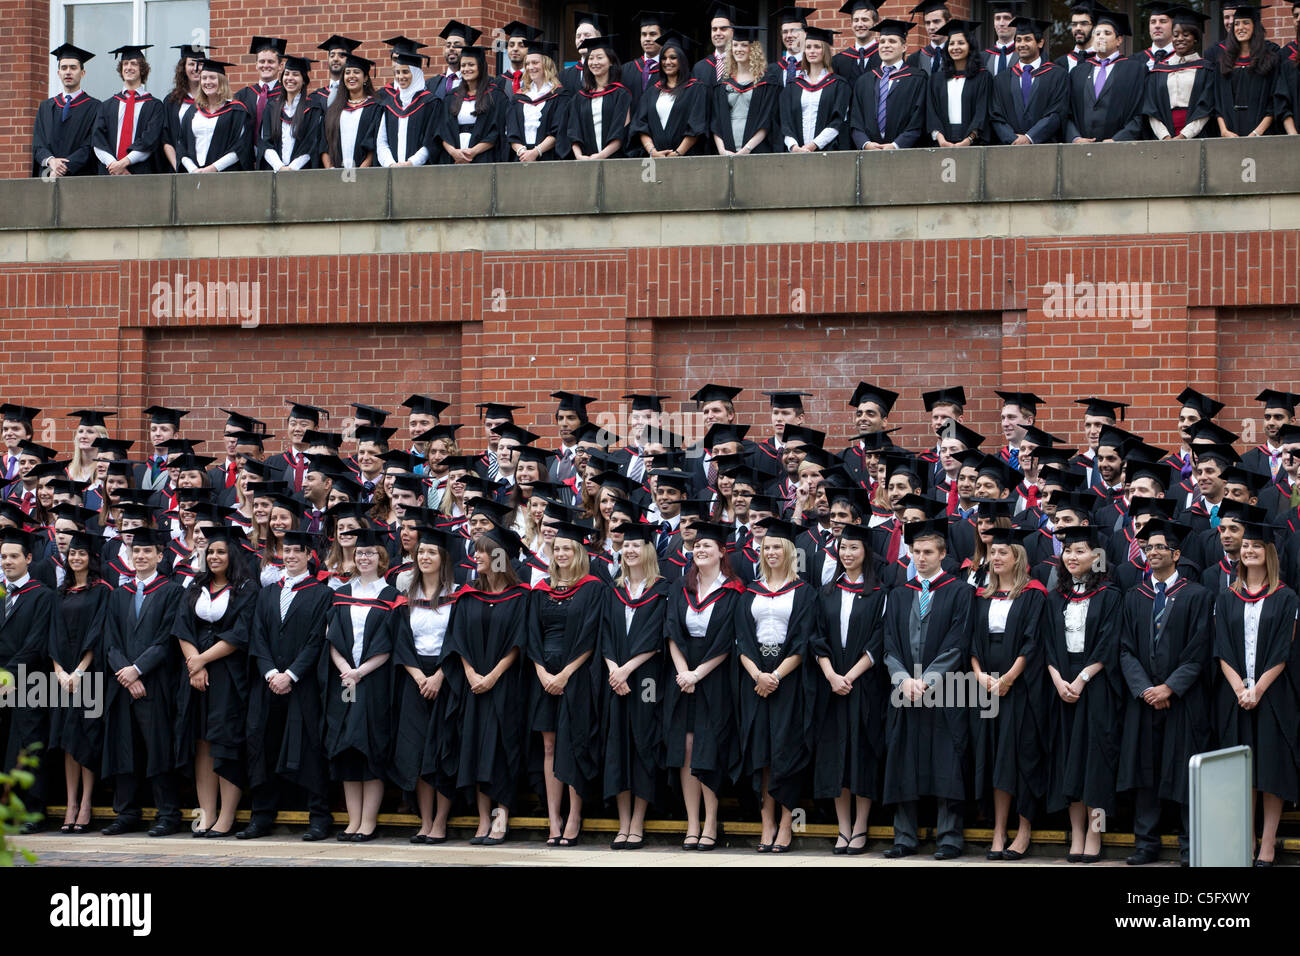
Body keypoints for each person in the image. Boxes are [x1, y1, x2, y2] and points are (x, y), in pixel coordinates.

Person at [1117, 520, 1212, 867]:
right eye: (1148, 548)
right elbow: (1125, 649)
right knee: (1145, 771)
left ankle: (1190, 845)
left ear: (1176, 553)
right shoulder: (1134, 596)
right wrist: (1145, 689)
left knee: (1187, 771)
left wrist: (1170, 687)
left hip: (1183, 700)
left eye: (1160, 547)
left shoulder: (1197, 595)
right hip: (1145, 701)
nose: (1153, 552)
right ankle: (1146, 843)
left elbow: (1200, 649)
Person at [882, 519, 973, 860]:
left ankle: (949, 837)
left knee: (947, 761)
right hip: (904, 690)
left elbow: (958, 642)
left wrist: (928, 679)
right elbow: (888, 642)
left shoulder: (960, 591)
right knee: (902, 759)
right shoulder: (899, 594)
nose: (920, 558)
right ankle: (904, 837)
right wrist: (903, 679)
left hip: (946, 691)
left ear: (943, 554)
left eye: (928, 552)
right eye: (916, 552)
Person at [1212, 519, 1299, 866]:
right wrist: (1239, 688)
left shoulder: (1286, 597)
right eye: (1245, 546)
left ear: (1269, 553)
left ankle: (1267, 841)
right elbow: (1222, 648)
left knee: (1271, 770)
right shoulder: (1227, 596)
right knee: (1242, 770)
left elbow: (1283, 650)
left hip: (1274, 696)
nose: (1248, 550)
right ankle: (1245, 837)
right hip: (1235, 698)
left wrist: (1258, 689)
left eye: (1256, 546)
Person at [239, 530, 334, 841]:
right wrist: (269, 673)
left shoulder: (321, 594)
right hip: (267, 684)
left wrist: (290, 674)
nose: (290, 555)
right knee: (262, 747)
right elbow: (258, 636)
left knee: (309, 747)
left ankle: (318, 817)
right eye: (286, 550)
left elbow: (316, 640)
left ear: (309, 555)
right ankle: (261, 816)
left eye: (297, 551)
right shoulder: (267, 593)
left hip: (302, 685)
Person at [441, 525, 533, 844]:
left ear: (499, 557)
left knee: (501, 751)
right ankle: (482, 820)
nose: (475, 555)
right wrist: (470, 673)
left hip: (505, 686)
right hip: (473, 685)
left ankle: (500, 818)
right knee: (475, 751)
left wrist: (493, 675)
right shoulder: (468, 595)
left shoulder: (521, 596)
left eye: (482, 550)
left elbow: (521, 642)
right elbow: (457, 640)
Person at [734, 517, 815, 853]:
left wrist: (776, 676)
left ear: (788, 551)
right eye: (765, 547)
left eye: (776, 547)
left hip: (789, 679)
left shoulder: (804, 591)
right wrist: (757, 675)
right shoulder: (750, 590)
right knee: (762, 752)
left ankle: (786, 822)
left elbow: (803, 639)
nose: (770, 552)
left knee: (786, 751)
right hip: (755, 678)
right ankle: (766, 821)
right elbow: (741, 639)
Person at [968, 526, 1048, 860]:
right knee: (995, 758)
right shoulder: (980, 596)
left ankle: (1024, 830)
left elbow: (1033, 641)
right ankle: (999, 831)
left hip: (1021, 688)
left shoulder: (1032, 593)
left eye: (1004, 553)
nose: (996, 557)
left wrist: (1010, 678)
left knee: (1021, 757)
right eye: (994, 553)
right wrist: (979, 675)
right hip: (986, 686)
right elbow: (970, 641)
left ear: (1018, 558)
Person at [1044, 526, 1123, 863]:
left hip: (1096, 686)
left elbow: (1109, 643)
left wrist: (1082, 679)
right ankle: (1076, 832)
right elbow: (1047, 644)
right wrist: (1060, 680)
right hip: (1062, 685)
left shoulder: (1109, 595)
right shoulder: (1055, 597)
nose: (1072, 557)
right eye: (1068, 551)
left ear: (1096, 557)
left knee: (1097, 764)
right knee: (1068, 764)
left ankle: (1095, 831)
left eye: (1079, 551)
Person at [99, 528, 184, 836]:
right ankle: (126, 812)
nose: (141, 556)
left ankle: (168, 813)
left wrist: (138, 669)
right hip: (123, 685)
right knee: (124, 747)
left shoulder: (171, 591)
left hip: (155, 683)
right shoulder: (119, 594)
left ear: (160, 556)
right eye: (136, 552)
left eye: (147, 552)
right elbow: (110, 640)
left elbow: (166, 638)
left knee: (158, 747)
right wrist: (125, 671)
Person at [172, 526, 255, 837]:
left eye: (221, 552)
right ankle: (206, 814)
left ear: (232, 555)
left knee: (224, 743)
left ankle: (227, 817)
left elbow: (240, 633)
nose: (215, 557)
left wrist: (202, 661)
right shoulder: (195, 586)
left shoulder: (246, 589)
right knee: (201, 743)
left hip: (228, 676)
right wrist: (194, 666)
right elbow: (182, 626)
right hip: (195, 676)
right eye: (211, 553)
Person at [664, 520, 741, 850]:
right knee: (687, 748)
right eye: (697, 546)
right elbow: (671, 631)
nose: (700, 550)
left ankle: (711, 821)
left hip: (715, 675)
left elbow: (727, 640)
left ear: (722, 552)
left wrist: (698, 674)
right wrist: (684, 671)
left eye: (708, 546)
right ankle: (692, 823)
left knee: (709, 746)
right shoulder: (681, 586)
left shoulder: (734, 589)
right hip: (681, 675)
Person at [810, 522, 886, 854]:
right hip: (831, 686)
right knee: (836, 756)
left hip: (864, 686)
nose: (847, 553)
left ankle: (860, 826)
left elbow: (878, 641)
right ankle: (843, 828)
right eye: (843, 548)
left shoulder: (879, 594)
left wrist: (850, 676)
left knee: (861, 753)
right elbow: (816, 637)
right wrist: (830, 675)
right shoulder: (826, 592)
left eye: (854, 548)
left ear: (866, 551)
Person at [528, 521, 604, 846]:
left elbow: (590, 636)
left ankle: (575, 814)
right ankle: (553, 817)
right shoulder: (541, 589)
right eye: (557, 548)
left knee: (573, 744)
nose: (560, 553)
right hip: (544, 675)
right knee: (548, 747)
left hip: (576, 675)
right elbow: (531, 634)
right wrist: (544, 673)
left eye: (567, 549)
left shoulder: (592, 588)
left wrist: (565, 673)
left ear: (579, 553)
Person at [323, 528, 397, 841]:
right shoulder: (340, 592)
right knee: (346, 747)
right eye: (360, 553)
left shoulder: (391, 596)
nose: (364, 557)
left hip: (374, 681)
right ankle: (352, 821)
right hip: (345, 680)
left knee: (370, 747)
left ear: (382, 558)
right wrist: (345, 669)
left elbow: (390, 644)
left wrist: (360, 672)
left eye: (371, 553)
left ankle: (368, 821)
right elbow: (332, 638)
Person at [599, 522, 666, 849]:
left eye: (636, 545)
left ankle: (638, 822)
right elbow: (605, 635)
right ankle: (623, 822)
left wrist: (626, 669)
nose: (630, 550)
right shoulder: (613, 590)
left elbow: (657, 638)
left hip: (647, 679)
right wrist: (614, 669)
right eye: (626, 546)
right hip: (616, 678)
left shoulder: (663, 590)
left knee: (643, 743)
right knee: (618, 745)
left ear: (648, 550)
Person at [393, 527, 458, 844]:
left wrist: (439, 676)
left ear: (443, 557)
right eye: (421, 553)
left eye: (431, 552)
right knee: (417, 750)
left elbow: (458, 641)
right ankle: (426, 819)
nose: (425, 557)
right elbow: (401, 641)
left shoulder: (459, 595)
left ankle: (441, 821)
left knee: (442, 748)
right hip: (415, 678)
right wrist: (419, 676)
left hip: (446, 679)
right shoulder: (407, 598)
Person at [0, 528, 60, 832]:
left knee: (27, 745)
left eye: (13, 556)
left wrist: (8, 674)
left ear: (29, 559)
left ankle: (31, 811)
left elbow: (36, 643)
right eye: (3, 557)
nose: (7, 562)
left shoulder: (42, 595)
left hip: (30, 682)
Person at [1066, 9, 1146, 143]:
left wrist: (1118, 139)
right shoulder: (1078, 72)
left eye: (1107, 33)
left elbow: (1140, 113)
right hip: (1081, 149)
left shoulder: (1134, 69)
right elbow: (1067, 112)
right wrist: (1076, 138)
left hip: (1121, 148)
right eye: (1097, 33)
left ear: (1119, 40)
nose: (1101, 37)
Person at [989, 18, 1068, 144]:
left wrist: (1030, 138)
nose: (1021, 44)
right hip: (1010, 148)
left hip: (1046, 148)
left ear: (1040, 43)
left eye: (1027, 39)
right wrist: (1012, 139)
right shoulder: (1001, 79)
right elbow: (996, 115)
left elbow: (1057, 112)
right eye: (1018, 40)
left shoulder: (1057, 75)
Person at [631, 33, 708, 157]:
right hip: (656, 159)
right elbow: (640, 124)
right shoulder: (652, 92)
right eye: (663, 58)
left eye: (673, 57)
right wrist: (652, 151)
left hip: (687, 159)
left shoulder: (696, 89)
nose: (667, 62)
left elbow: (697, 126)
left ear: (682, 60)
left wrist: (678, 153)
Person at [1142, 7, 1214, 139]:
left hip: (1197, 135)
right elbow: (1151, 107)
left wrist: (1184, 135)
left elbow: (1206, 107)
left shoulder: (1206, 69)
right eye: (1175, 35)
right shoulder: (1159, 70)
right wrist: (1165, 137)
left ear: (1195, 38)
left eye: (1186, 35)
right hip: (1164, 136)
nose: (1180, 39)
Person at [92, 45, 164, 175]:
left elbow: (150, 140)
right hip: (109, 173)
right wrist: (114, 165)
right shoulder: (107, 105)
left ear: (142, 69)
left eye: (134, 64)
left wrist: (124, 163)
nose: (128, 67)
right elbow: (98, 140)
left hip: (140, 174)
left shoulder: (154, 106)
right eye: (125, 64)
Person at [1211, 3, 1280, 137]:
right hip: (1230, 134)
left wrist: (1257, 132)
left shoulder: (1269, 60)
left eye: (1246, 23)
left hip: (1262, 134)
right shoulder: (1224, 61)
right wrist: (1224, 131)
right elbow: (1217, 101)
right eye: (1236, 24)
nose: (1240, 28)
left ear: (1255, 26)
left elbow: (1273, 102)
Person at [33, 44, 100, 178]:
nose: (68, 72)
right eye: (64, 68)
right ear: (59, 73)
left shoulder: (95, 107)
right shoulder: (46, 107)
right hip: (48, 176)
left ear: (82, 73)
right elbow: (38, 144)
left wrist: (62, 167)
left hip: (80, 177)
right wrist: (51, 161)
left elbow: (91, 145)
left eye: (73, 67)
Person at [781, 25, 851, 151]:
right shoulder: (793, 86)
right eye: (808, 47)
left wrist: (813, 145)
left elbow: (837, 122)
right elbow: (786, 122)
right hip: (795, 153)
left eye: (817, 47)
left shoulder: (839, 85)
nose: (812, 51)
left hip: (828, 152)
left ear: (825, 51)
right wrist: (794, 146)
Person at [179, 60, 253, 173]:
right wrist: (193, 170)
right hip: (194, 176)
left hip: (226, 176)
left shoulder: (237, 111)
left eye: (212, 77)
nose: (207, 82)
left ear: (222, 81)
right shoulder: (192, 111)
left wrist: (213, 168)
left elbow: (241, 147)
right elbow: (182, 145)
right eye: (204, 78)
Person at [927, 19, 991, 146]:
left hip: (974, 144)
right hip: (941, 143)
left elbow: (982, 112)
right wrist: (941, 139)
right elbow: (931, 112)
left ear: (970, 46)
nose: (955, 47)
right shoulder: (936, 80)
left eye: (961, 43)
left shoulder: (982, 77)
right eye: (951, 44)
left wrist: (969, 139)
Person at [438, 46, 505, 164]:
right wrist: (454, 152)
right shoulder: (451, 96)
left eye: (471, 65)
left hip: (483, 159)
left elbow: (496, 131)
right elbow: (441, 130)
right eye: (463, 65)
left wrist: (472, 152)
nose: (466, 69)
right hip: (454, 160)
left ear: (481, 66)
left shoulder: (495, 96)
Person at [567, 36, 632, 159]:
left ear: (611, 61)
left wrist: (601, 155)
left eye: (600, 58)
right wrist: (579, 155)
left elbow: (621, 130)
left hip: (615, 160)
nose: (594, 62)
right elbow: (573, 130)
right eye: (590, 58)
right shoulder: (580, 97)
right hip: (585, 162)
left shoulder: (621, 94)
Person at [505, 40, 569, 161]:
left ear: (547, 64)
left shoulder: (560, 95)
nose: (530, 67)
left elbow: (558, 130)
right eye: (527, 64)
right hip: (521, 158)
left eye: (535, 63)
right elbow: (512, 132)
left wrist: (536, 152)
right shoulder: (519, 97)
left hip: (548, 158)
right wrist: (522, 152)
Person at [262, 55, 323, 171]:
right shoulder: (271, 107)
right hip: (275, 171)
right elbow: (265, 142)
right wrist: (279, 166)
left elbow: (311, 143)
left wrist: (292, 168)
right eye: (287, 74)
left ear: (304, 80)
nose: (289, 78)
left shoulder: (313, 109)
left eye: (295, 74)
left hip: (303, 172)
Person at [377, 51, 437, 167]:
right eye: (397, 72)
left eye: (405, 72)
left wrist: (411, 163)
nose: (400, 77)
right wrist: (390, 164)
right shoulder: (390, 104)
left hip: (421, 172)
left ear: (416, 74)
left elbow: (431, 141)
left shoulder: (430, 103)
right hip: (393, 171)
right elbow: (381, 141)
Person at [321, 53, 380, 168]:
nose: (351, 76)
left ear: (366, 78)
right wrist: (330, 169)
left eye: (356, 72)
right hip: (336, 175)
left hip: (366, 175)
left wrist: (361, 171)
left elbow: (374, 144)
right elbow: (324, 143)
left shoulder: (374, 107)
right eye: (347, 73)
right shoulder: (334, 109)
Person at [233, 36, 287, 134]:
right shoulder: (243, 95)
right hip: (247, 148)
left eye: (271, 62)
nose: (265, 65)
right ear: (256, 65)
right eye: (262, 61)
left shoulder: (286, 95)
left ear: (280, 66)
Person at [832, 0, 882, 80]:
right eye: (856, 20)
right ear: (851, 24)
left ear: (875, 23)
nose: (859, 24)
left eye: (865, 20)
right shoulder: (838, 60)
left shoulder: (885, 56)